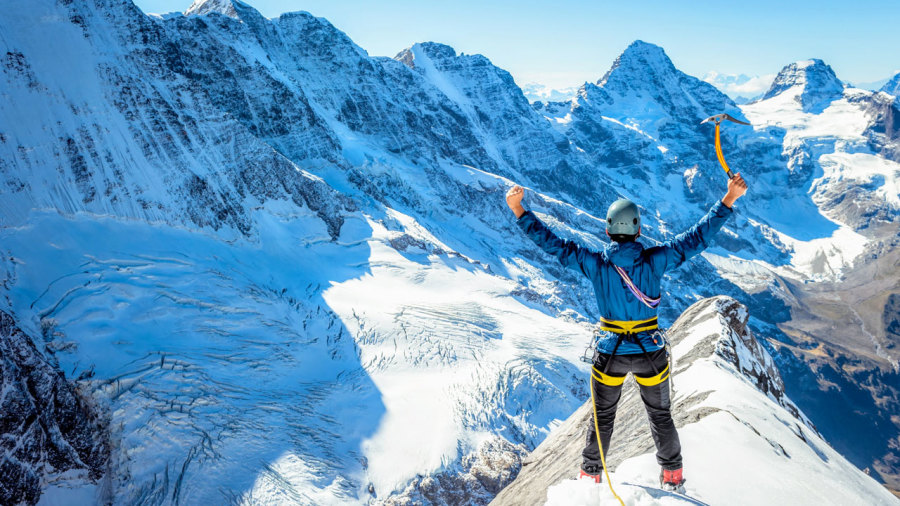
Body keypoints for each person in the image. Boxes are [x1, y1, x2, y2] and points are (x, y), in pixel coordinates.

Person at [505, 174, 748, 491]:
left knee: (602, 417)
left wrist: (519, 210)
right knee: (660, 415)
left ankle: (590, 476)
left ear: (607, 231)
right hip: (650, 353)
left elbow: (555, 245)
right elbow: (696, 239)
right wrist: (728, 199)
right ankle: (672, 476)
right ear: (639, 230)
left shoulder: (595, 263)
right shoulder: (657, 259)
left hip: (610, 354)